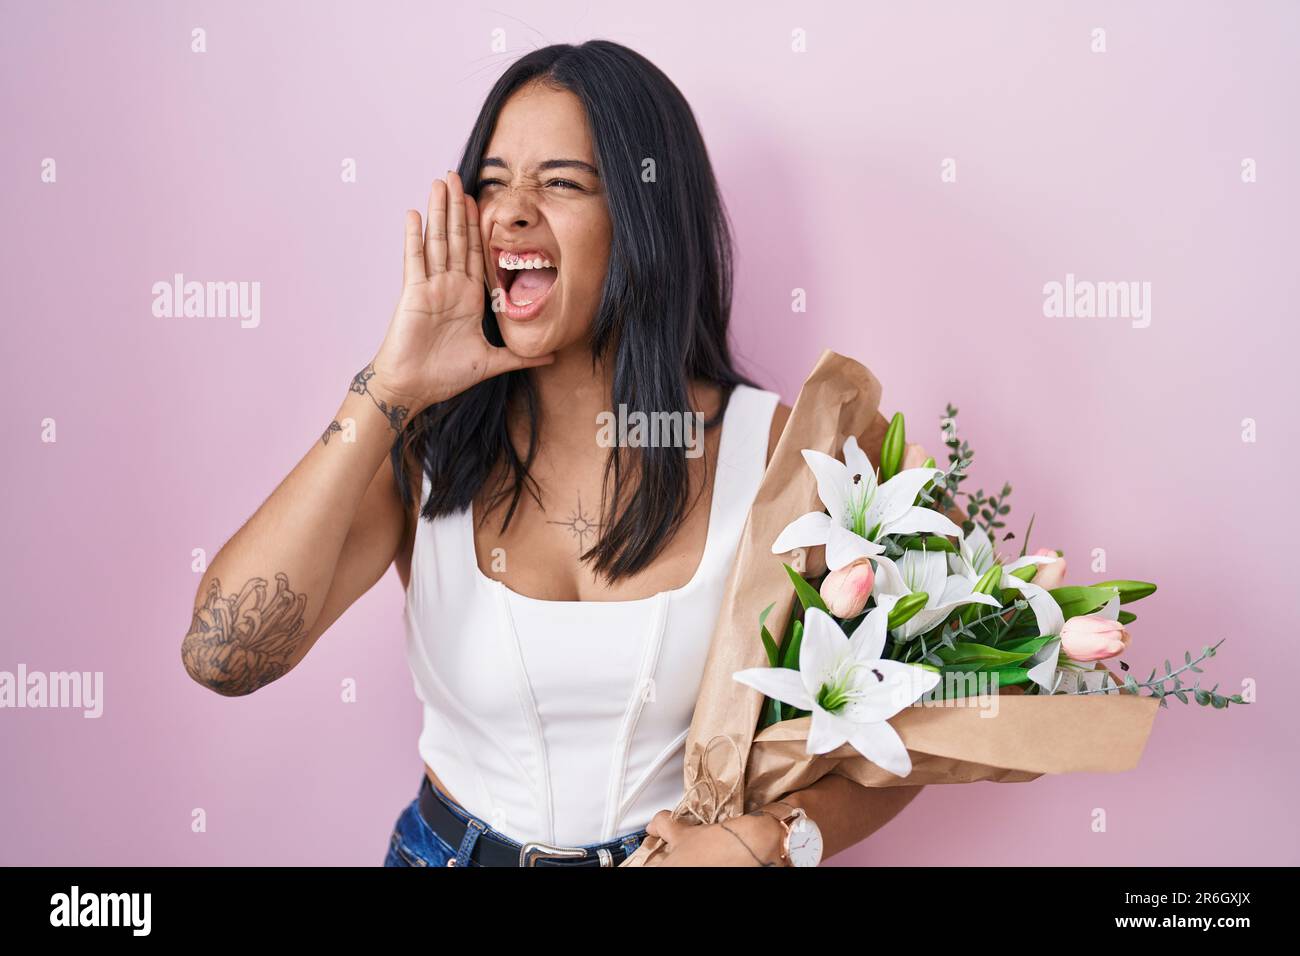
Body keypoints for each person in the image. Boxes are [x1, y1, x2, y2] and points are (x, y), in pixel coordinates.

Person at [180, 39, 920, 867]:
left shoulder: (791, 452)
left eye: (561, 182)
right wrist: (387, 387)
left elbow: (924, 716)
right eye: (491, 183)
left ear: (645, 216)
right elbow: (221, 656)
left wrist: (769, 840)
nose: (511, 210)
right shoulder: (423, 446)